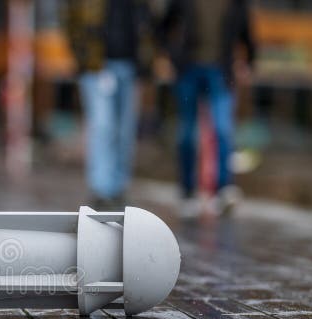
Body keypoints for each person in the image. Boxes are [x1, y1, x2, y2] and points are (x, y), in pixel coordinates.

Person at [159, 0, 255, 217]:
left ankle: (223, 189)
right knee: (186, 133)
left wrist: (249, 60)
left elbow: (246, 30)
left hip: (221, 72)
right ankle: (187, 190)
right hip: (188, 71)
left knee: (222, 128)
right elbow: (164, 26)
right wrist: (172, 57)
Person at [62, 0, 153, 210]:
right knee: (102, 126)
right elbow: (71, 22)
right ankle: (101, 188)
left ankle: (118, 187)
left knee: (125, 130)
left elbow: (147, 24)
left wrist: (147, 61)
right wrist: (83, 59)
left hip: (129, 66)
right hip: (97, 68)